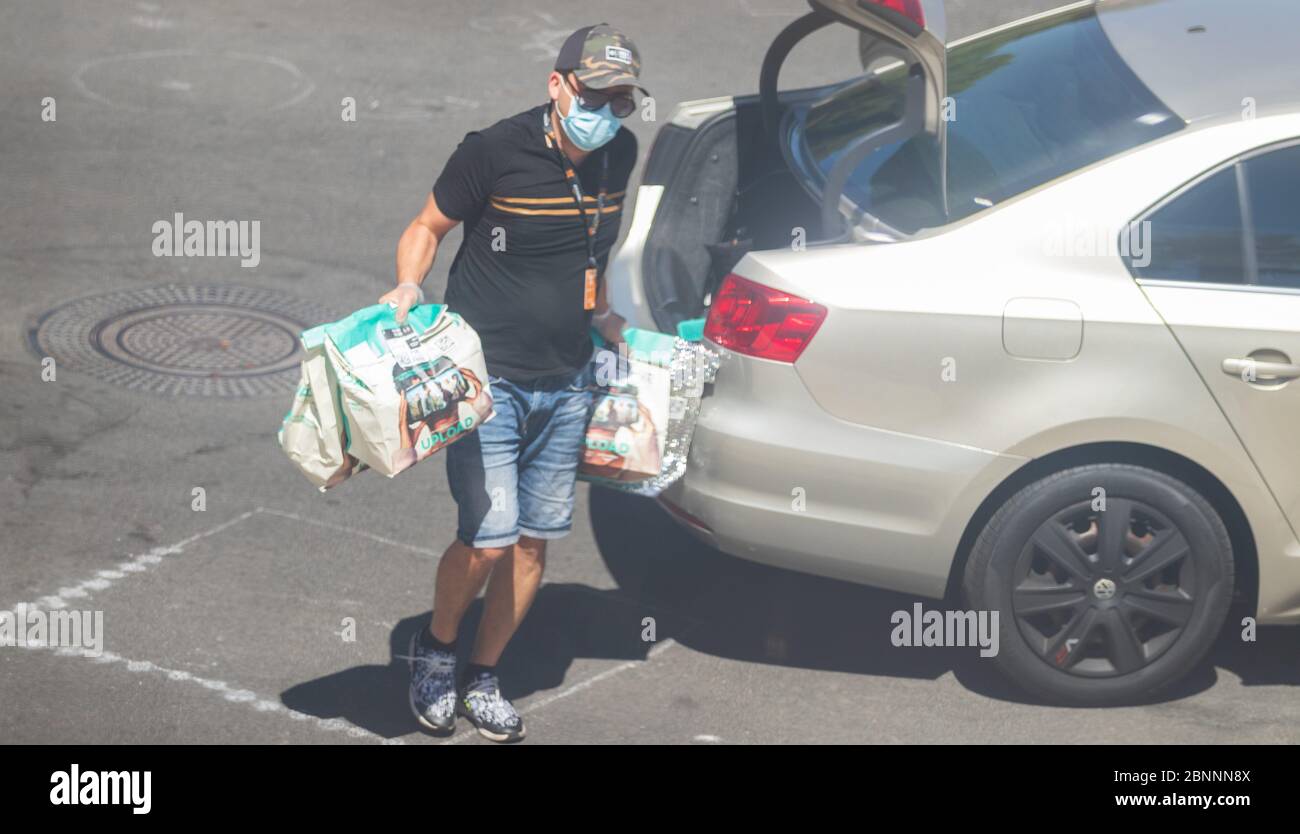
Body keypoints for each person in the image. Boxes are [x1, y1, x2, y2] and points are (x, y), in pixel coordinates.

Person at [379, 23, 646, 742]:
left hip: (569, 381)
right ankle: (436, 651)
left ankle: (485, 674)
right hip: (486, 381)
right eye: (594, 95)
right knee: (490, 538)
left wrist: (609, 322)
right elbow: (426, 226)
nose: (606, 113)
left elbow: (592, 250)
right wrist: (408, 285)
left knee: (534, 542)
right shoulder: (493, 150)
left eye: (620, 101)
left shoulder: (618, 152)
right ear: (557, 85)